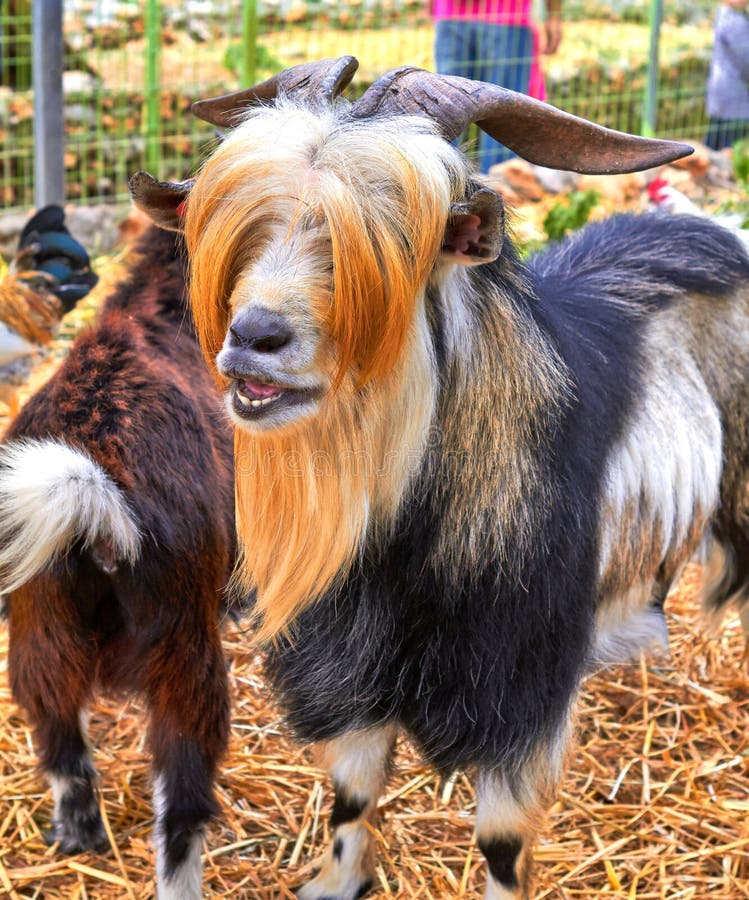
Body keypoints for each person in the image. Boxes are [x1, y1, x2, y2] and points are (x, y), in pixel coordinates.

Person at [432, 0, 562, 171]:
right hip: (477, 14)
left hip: (501, 15)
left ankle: (493, 186)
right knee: (499, 110)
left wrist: (553, 15)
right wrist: (553, 15)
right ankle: (446, 180)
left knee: (453, 106)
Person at [705, 0, 749, 150]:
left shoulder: (726, 15)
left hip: (722, 98)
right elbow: (746, 60)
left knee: (714, 149)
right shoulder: (734, 21)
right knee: (732, 152)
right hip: (734, 101)